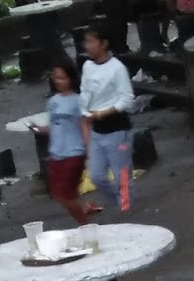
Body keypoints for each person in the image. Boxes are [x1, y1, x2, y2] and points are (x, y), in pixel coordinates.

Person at [80, 26, 136, 214]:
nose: (87, 46)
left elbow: (127, 98)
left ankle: (126, 206)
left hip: (117, 131)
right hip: (97, 131)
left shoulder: (117, 68)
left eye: (91, 41)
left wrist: (104, 113)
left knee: (122, 175)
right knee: (97, 176)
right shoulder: (87, 66)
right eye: (86, 41)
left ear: (103, 44)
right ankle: (118, 201)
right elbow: (85, 92)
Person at [44, 58, 99, 225]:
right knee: (59, 193)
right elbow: (53, 126)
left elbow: (85, 127)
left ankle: (85, 225)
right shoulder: (52, 102)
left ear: (71, 79)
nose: (59, 82)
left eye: (62, 78)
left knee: (64, 195)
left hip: (74, 152)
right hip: (56, 153)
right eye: (56, 78)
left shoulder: (79, 101)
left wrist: (89, 154)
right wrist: (39, 129)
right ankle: (83, 212)